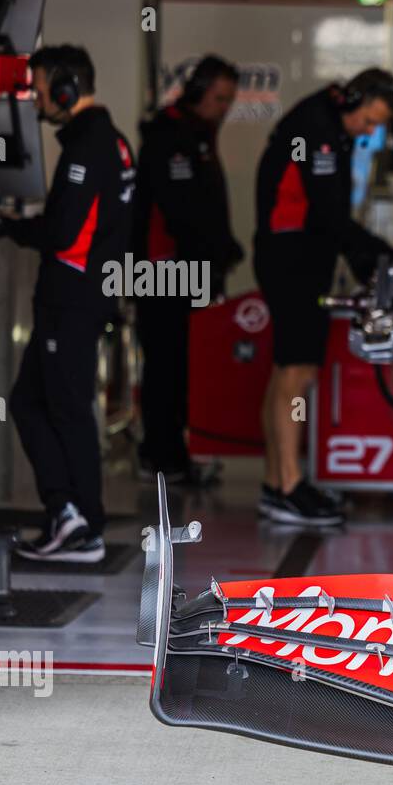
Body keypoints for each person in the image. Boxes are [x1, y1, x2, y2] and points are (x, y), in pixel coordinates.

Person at [3, 45, 135, 564]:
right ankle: (69, 514)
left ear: (66, 89)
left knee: (64, 409)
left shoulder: (88, 147)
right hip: (86, 295)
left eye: (38, 88)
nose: (34, 98)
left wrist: (9, 226)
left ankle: (81, 523)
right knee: (30, 402)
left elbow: (62, 233)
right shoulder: (111, 140)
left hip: (72, 300)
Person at [253, 68, 393, 525]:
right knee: (295, 372)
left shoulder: (328, 122)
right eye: (369, 121)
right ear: (354, 99)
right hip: (290, 258)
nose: (369, 131)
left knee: (290, 371)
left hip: (299, 256)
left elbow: (330, 216)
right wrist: (375, 253)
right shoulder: (316, 127)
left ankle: (281, 483)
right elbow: (328, 213)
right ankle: (288, 487)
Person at [132, 54, 244, 485]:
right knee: (165, 363)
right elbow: (180, 210)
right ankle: (161, 455)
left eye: (230, 99)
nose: (225, 107)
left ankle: (175, 450)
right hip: (162, 272)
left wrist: (222, 250)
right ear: (197, 92)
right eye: (219, 98)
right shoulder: (169, 136)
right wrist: (218, 248)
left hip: (188, 268)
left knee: (185, 364)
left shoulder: (197, 134)